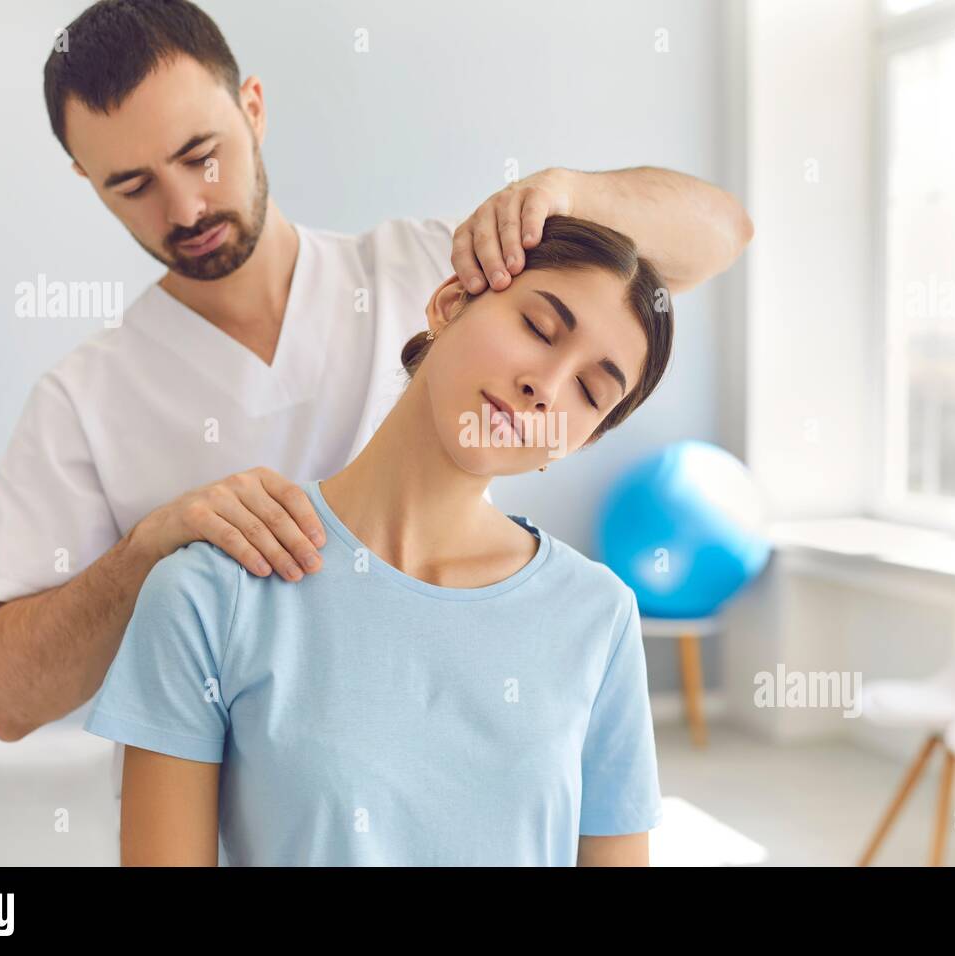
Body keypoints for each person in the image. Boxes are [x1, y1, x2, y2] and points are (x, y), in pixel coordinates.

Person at [0, 0, 753, 762]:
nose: (186, 204)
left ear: (253, 108)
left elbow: (720, 235)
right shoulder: (81, 400)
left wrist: (565, 195)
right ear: (86, 179)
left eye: (201, 154)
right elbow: (3, 701)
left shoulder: (435, 268)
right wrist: (148, 554)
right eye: (132, 186)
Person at [85, 216, 674, 866]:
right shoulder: (212, 591)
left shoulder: (598, 617)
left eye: (590, 392)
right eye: (537, 328)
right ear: (450, 304)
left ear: (580, 441)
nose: (547, 387)